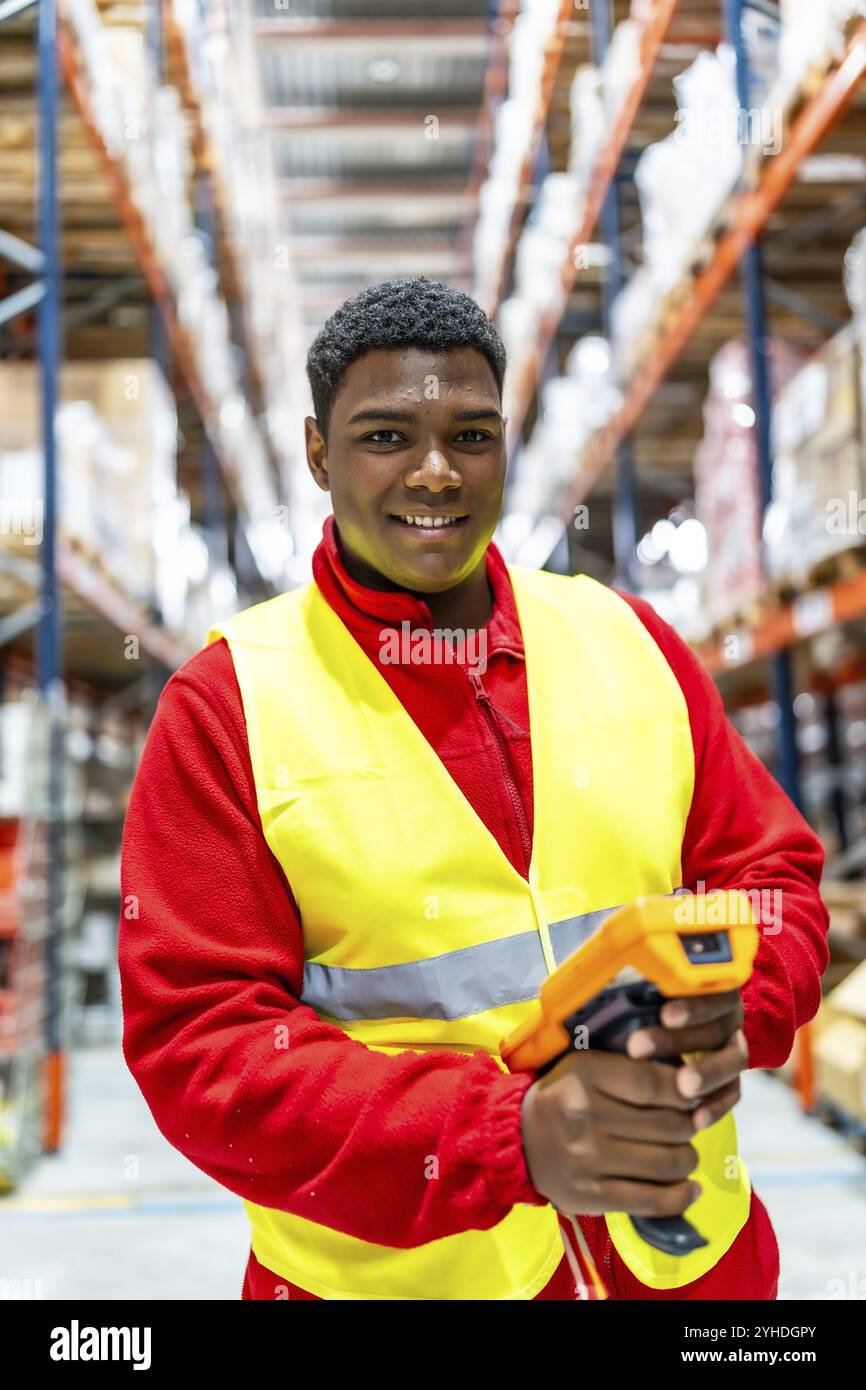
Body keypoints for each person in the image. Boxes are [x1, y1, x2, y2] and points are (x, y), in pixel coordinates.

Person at [118, 277, 829, 1301]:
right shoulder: (229, 706)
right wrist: (506, 1135)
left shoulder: (626, 641)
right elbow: (202, 1046)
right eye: (384, 436)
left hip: (687, 1273)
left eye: (471, 433)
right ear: (317, 454)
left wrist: (732, 1008)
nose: (437, 471)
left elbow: (769, 875)